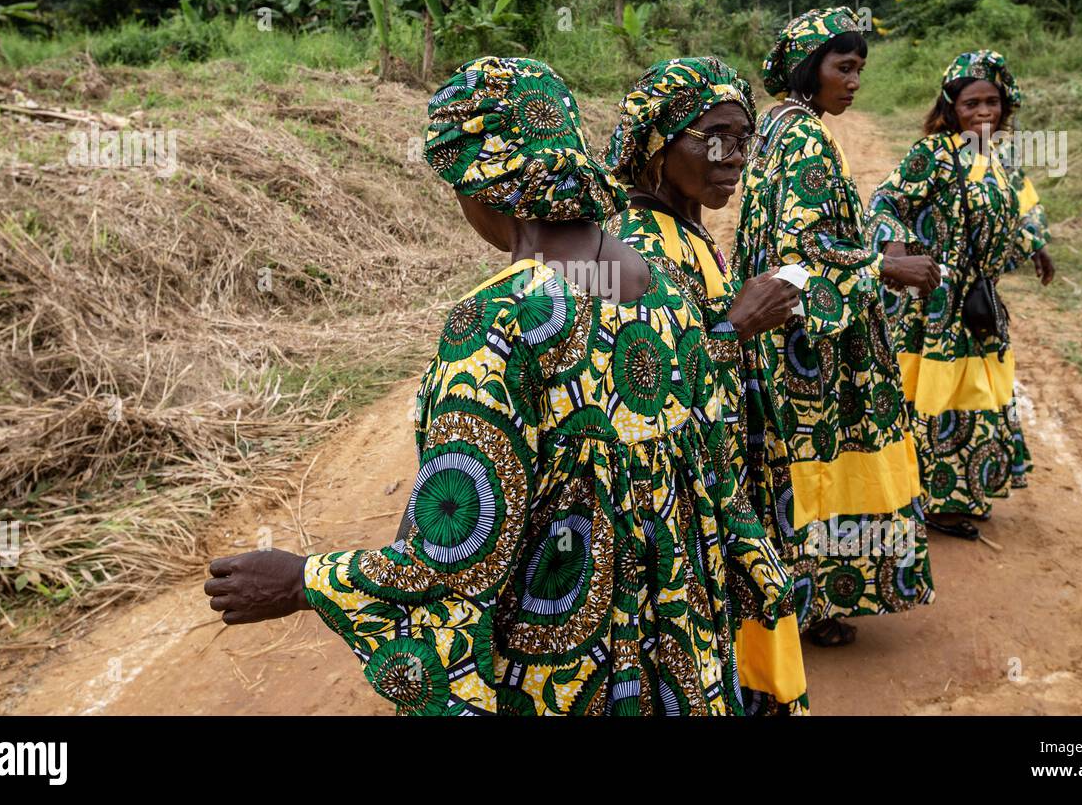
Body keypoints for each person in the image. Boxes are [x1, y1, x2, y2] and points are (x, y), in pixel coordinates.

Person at [203, 56, 791, 715]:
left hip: (565, 680)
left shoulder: (501, 321)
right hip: (678, 669)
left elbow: (456, 556)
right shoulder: (669, 291)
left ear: (480, 185)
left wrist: (302, 581)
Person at [604, 55, 808, 714]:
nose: (735, 157)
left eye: (744, 140)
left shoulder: (685, 226)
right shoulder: (639, 248)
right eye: (715, 137)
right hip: (681, 501)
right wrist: (735, 330)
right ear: (657, 145)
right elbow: (642, 395)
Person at [734, 7, 941, 648]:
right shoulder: (806, 138)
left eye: (860, 69)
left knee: (788, 463)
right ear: (808, 68)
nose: (854, 81)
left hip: (780, 325)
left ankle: (783, 593)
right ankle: (812, 599)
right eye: (842, 67)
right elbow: (806, 249)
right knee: (821, 460)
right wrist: (887, 266)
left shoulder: (777, 126)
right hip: (810, 339)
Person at [865, 49, 1054, 538]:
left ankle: (964, 490)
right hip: (934, 303)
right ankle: (935, 501)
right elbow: (886, 199)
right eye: (972, 103)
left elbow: (1025, 208)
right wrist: (897, 246)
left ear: (1005, 106)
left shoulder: (1002, 158)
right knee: (937, 395)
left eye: (992, 102)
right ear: (951, 106)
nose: (984, 113)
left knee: (977, 392)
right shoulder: (933, 155)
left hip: (979, 302)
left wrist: (1037, 247)